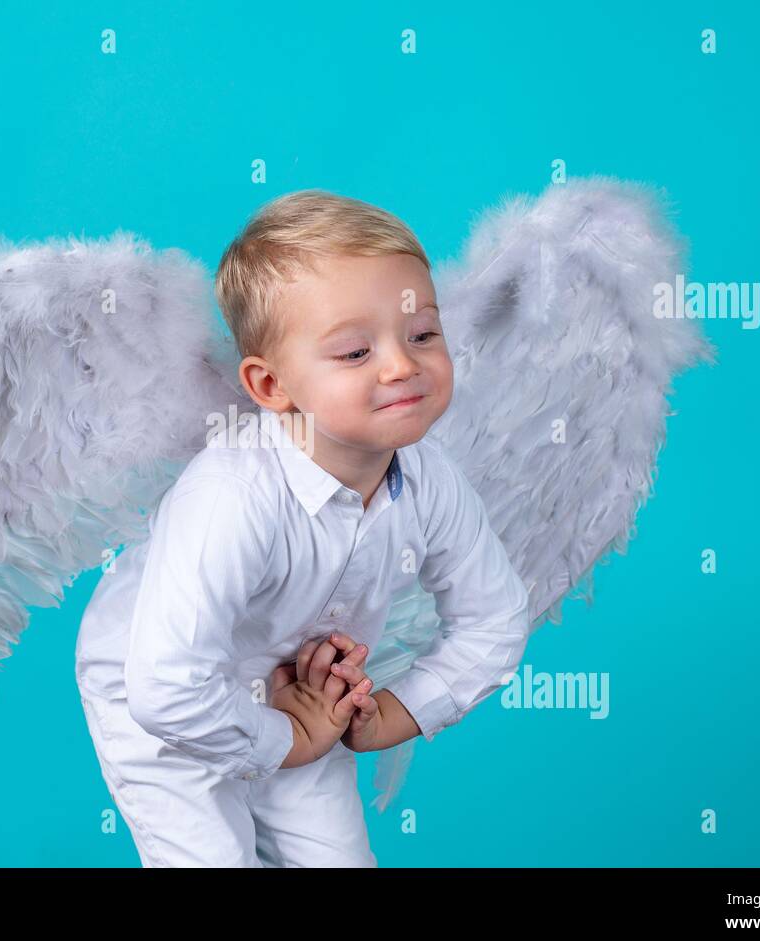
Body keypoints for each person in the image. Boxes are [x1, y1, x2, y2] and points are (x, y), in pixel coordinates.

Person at [74, 189, 531, 867]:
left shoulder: (431, 480)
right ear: (269, 386)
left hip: (304, 687)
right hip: (159, 692)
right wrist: (286, 738)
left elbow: (495, 619)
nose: (402, 364)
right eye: (354, 351)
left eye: (422, 334)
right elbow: (166, 687)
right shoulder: (231, 497)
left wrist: (390, 716)